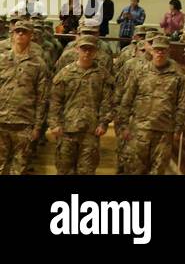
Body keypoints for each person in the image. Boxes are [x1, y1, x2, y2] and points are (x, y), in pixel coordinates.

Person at [117, 34, 185, 174]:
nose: (160, 53)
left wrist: (178, 128)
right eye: (157, 50)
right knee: (135, 169)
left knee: (159, 169)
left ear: (168, 52)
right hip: (140, 130)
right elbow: (127, 99)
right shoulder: (140, 72)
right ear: (152, 51)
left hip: (164, 131)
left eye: (163, 50)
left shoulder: (176, 75)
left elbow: (183, 103)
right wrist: (123, 125)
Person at [49, 35, 112, 175]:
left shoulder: (103, 75)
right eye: (84, 49)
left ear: (96, 51)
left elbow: (107, 101)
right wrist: (54, 123)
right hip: (67, 129)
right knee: (64, 169)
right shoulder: (65, 73)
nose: (87, 52)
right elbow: (55, 101)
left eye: (91, 49)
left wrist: (103, 123)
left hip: (91, 129)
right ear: (77, 49)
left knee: (87, 170)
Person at [0, 18, 49, 174]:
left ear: (31, 36)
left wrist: (37, 127)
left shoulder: (38, 64)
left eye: (24, 32)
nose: (20, 34)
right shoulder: (1, 60)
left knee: (19, 168)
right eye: (17, 31)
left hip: (24, 123)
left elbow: (42, 98)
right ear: (12, 35)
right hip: (1, 121)